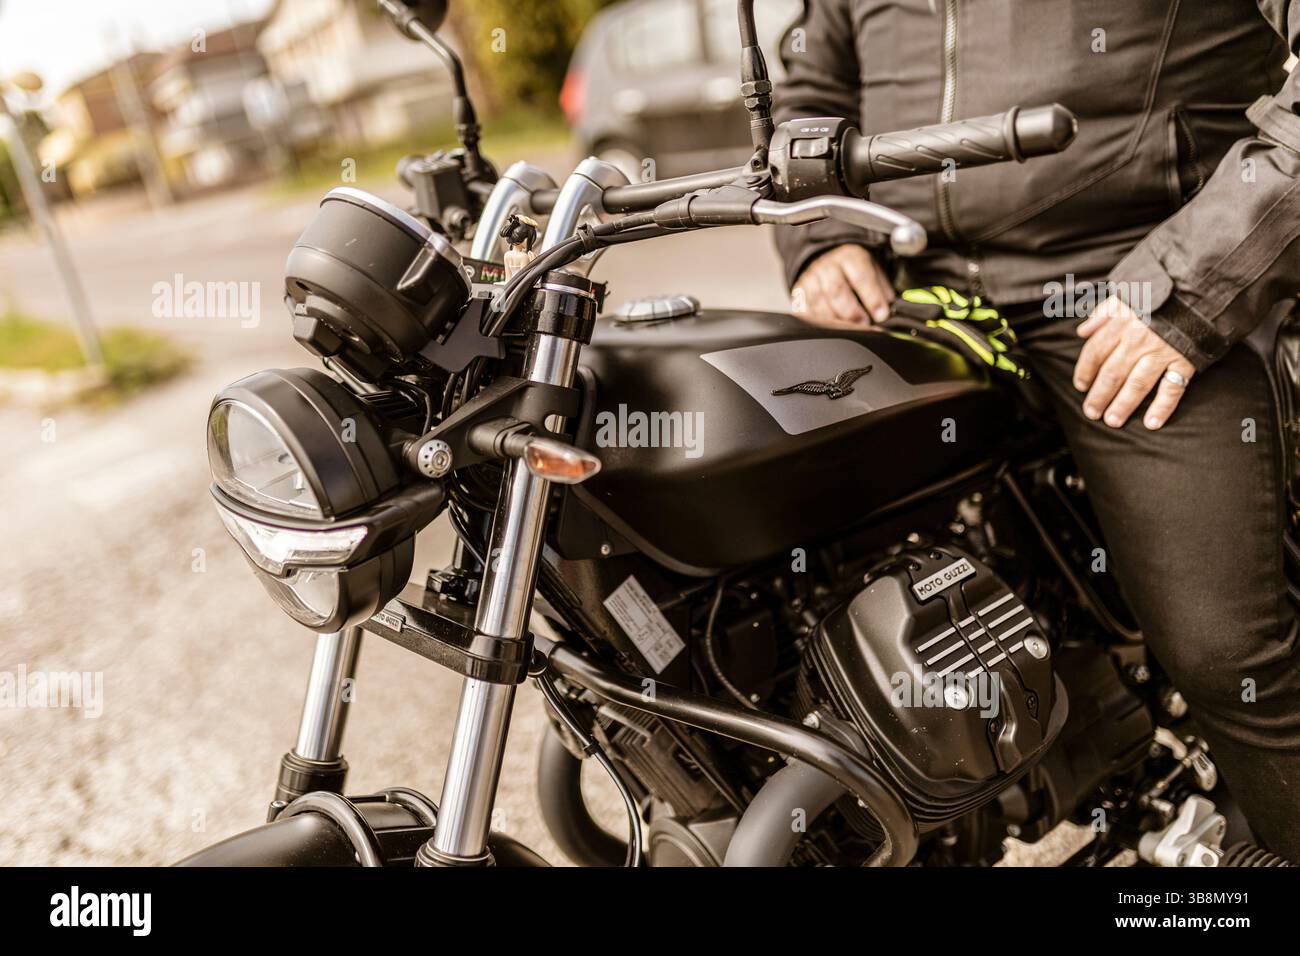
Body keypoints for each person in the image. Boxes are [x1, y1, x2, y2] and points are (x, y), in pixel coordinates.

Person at [774, 0, 1300, 858]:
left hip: (1137, 279)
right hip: (923, 284)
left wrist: (1194, 278)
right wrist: (825, 233)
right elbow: (812, 80)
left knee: (1223, 651)